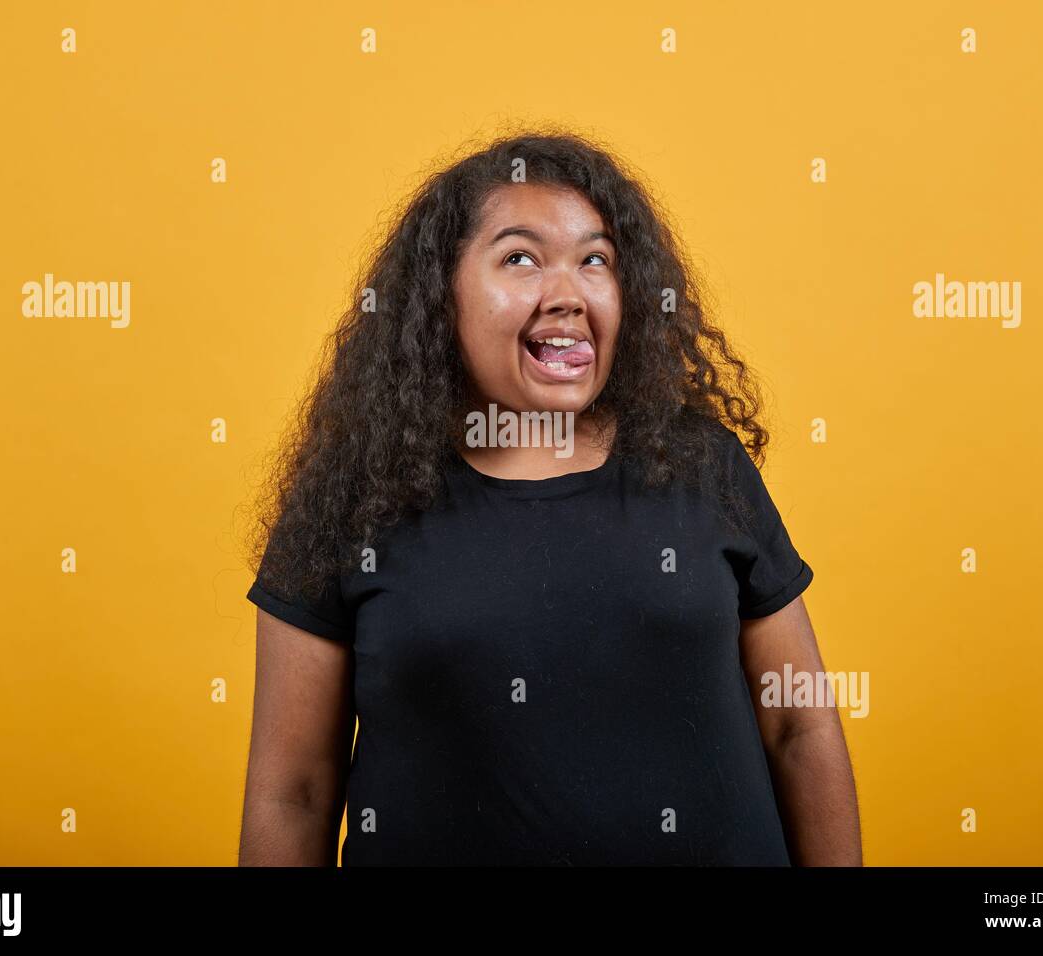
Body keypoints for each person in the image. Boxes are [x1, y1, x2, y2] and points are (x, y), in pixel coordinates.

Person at [237, 129, 862, 866]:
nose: (567, 294)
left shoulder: (701, 464)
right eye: (520, 259)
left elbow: (801, 728)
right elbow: (294, 791)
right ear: (442, 295)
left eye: (595, 260)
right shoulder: (354, 494)